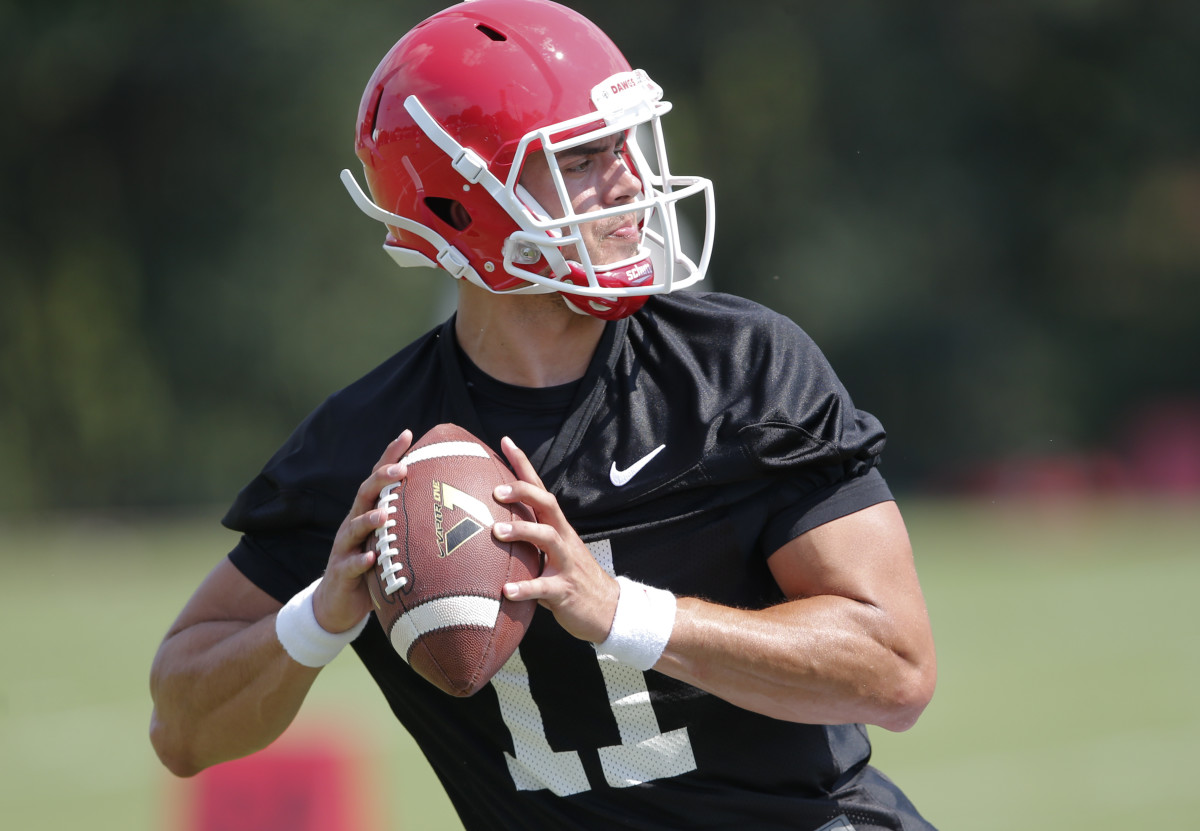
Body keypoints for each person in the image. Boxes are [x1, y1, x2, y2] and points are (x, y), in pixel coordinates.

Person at [148, 1, 939, 829]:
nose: (630, 178)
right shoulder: (373, 454)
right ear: (459, 206)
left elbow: (895, 668)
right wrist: (319, 612)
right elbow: (182, 728)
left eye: (625, 143)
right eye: (583, 155)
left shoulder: (736, 372)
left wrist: (620, 612)